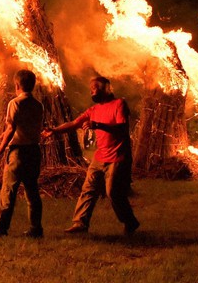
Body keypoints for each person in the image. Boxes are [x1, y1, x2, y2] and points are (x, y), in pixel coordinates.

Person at [43, 76, 140, 235]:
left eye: (95, 87)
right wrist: (54, 131)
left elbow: (122, 129)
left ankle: (130, 222)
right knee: (88, 188)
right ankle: (80, 223)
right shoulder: (93, 110)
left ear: (107, 88)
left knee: (113, 193)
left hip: (117, 156)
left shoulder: (119, 104)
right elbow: (74, 124)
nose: (92, 90)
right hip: (100, 156)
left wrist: (98, 125)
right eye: (91, 88)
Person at [0, 69, 44, 238]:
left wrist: (1, 146)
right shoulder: (38, 105)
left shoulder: (15, 103)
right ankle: (36, 228)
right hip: (34, 151)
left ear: (17, 85)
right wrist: (7, 135)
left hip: (19, 152)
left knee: (8, 190)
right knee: (32, 191)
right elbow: (28, 127)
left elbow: (12, 127)